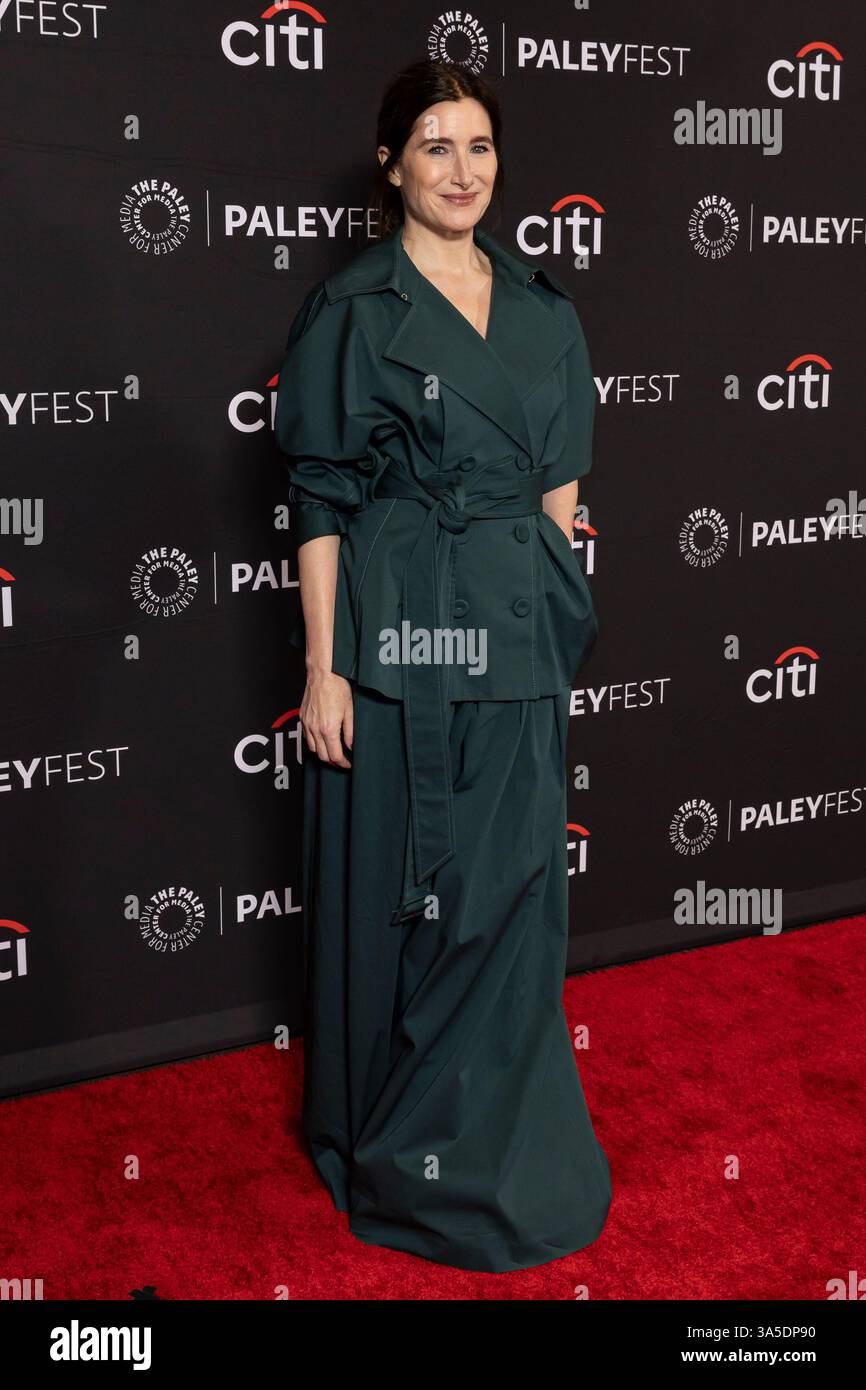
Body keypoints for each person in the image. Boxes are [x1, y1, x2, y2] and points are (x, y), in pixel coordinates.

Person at [275, 57, 611, 1272]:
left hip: (517, 633)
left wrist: (556, 610)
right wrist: (324, 670)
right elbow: (317, 500)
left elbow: (562, 491)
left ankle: (506, 1148)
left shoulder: (542, 309)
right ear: (390, 164)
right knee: (407, 898)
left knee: (508, 899)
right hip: (399, 640)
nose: (459, 170)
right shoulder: (352, 310)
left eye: (477, 146)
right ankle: (393, 1145)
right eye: (433, 145)